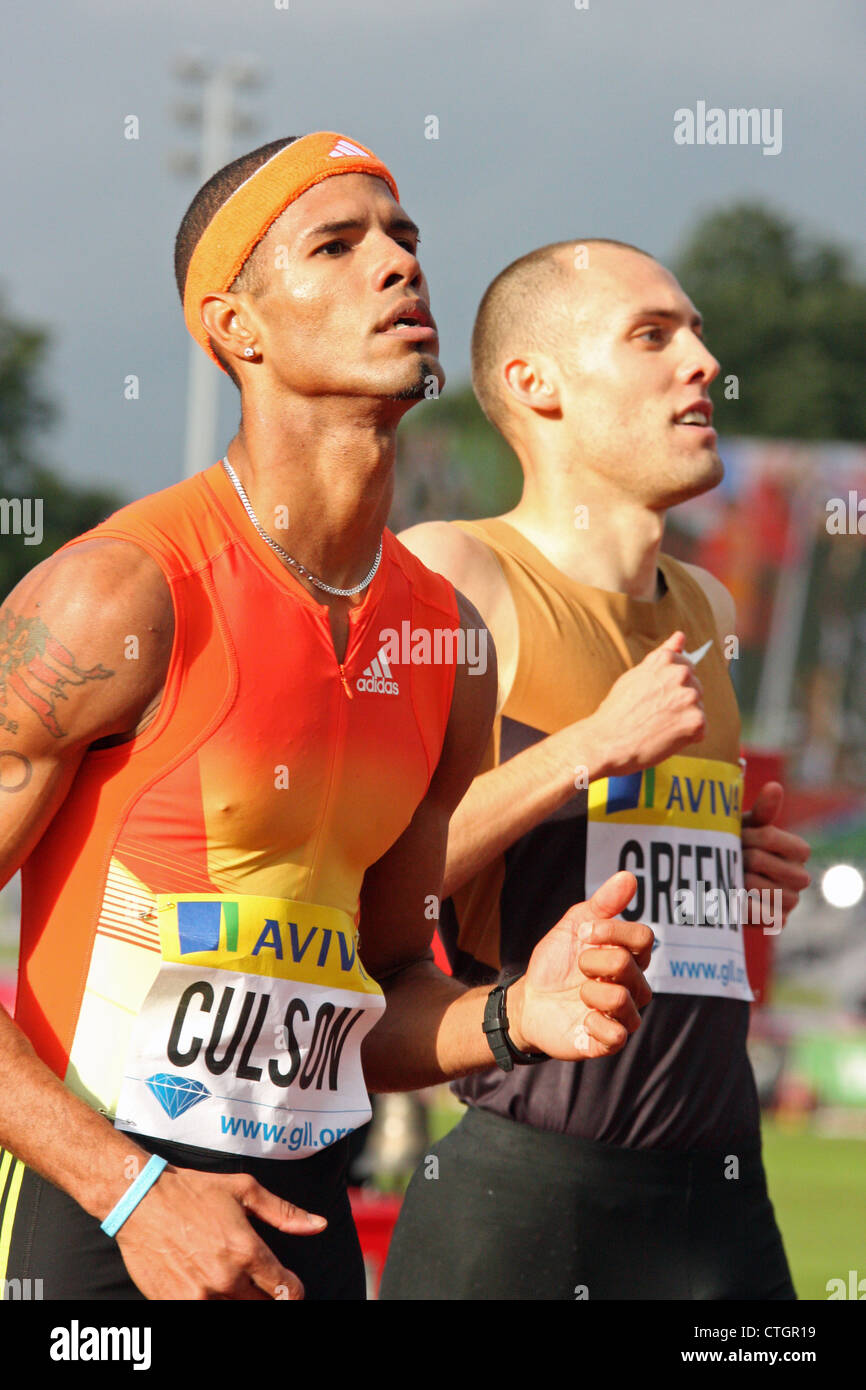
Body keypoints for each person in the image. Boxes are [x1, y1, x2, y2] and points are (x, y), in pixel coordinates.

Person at [0, 140, 665, 1303]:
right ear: (235, 327)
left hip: (303, 1224)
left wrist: (511, 1013)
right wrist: (128, 1191)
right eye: (338, 244)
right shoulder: (118, 595)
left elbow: (385, 982)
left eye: (403, 239)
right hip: (100, 1231)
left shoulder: (446, 644)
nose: (396, 266)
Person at [381, 239, 812, 1301]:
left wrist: (726, 861)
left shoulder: (705, 606)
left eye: (698, 332)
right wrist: (588, 749)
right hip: (529, 1190)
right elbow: (363, 880)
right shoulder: (456, 571)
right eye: (652, 335)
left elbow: (620, 873)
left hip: (719, 1186)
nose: (703, 363)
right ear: (537, 385)